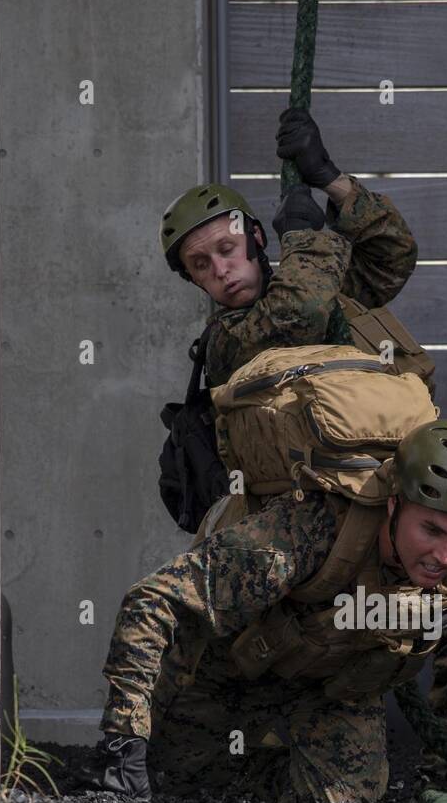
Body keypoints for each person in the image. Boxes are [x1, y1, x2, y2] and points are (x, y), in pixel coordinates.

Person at [95, 421, 447, 803]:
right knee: (178, 784)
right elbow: (154, 600)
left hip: (337, 686)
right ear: (393, 506)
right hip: (236, 667)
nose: (445, 555)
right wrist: (125, 734)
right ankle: (247, 753)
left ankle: (296, 764)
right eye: (431, 531)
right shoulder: (304, 533)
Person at [157, 109, 423, 532]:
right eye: (201, 264)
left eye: (227, 248)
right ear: (193, 279)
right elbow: (300, 314)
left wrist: (329, 178)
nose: (221, 269)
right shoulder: (228, 341)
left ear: (256, 238)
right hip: (309, 524)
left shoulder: (320, 284)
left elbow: (393, 257)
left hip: (390, 494)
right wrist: (303, 235)